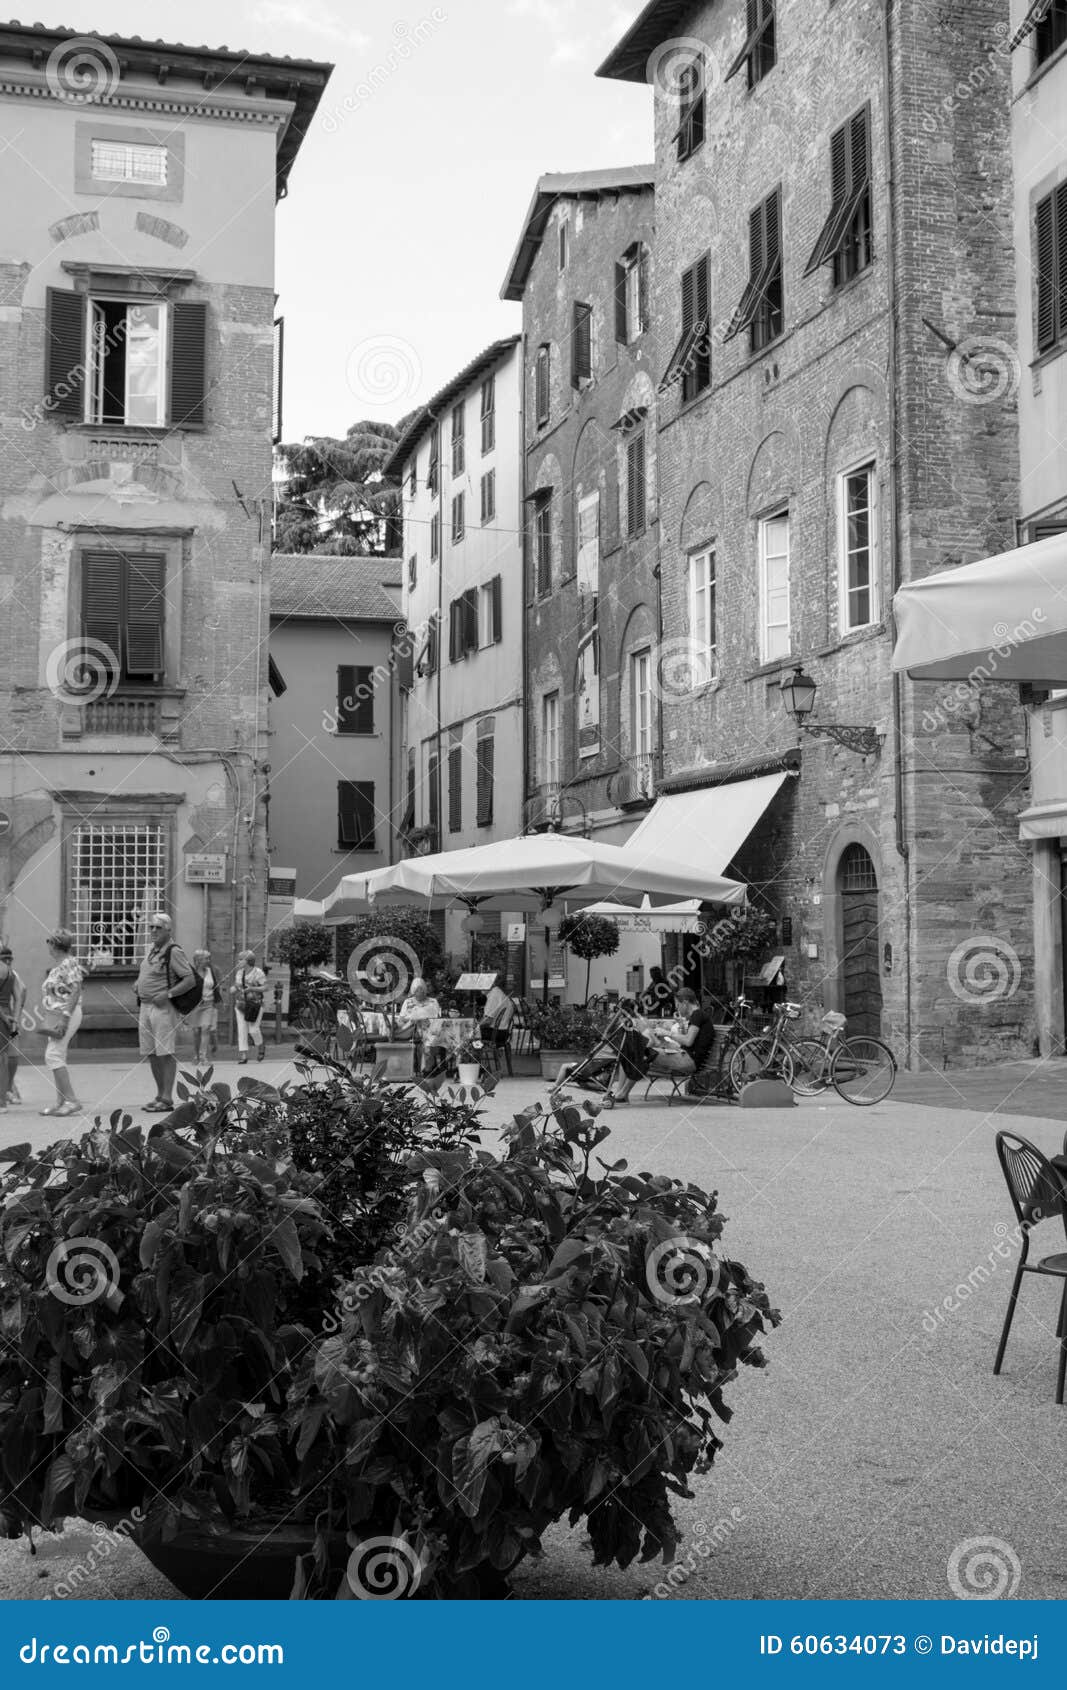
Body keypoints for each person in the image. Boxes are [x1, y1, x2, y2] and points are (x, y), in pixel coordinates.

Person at [136, 913, 196, 1112]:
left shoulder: (173, 951)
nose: (153, 931)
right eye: (151, 927)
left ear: (168, 930)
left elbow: (189, 980)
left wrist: (168, 994)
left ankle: (167, 1098)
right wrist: (138, 984)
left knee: (165, 1052)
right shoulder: (152, 950)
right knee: (151, 1053)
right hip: (145, 1006)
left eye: (158, 928)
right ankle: (160, 1094)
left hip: (162, 1008)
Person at [39, 929, 86, 1117]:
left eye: (49, 942)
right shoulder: (60, 965)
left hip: (67, 1014)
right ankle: (61, 1101)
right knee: (58, 1054)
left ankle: (72, 1100)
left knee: (53, 1055)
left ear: (54, 945)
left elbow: (75, 990)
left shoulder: (69, 963)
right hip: (57, 1015)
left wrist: (65, 1017)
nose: (48, 946)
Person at [638, 986, 717, 1097]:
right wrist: (680, 1024)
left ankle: (622, 1093)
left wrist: (667, 1033)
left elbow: (688, 1041)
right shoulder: (696, 1016)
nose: (677, 1009)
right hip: (684, 1055)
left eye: (678, 1005)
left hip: (688, 1061)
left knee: (641, 1050)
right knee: (648, 1035)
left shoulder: (698, 1015)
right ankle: (623, 1092)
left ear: (685, 1003)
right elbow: (691, 1041)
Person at [231, 950, 268, 1064]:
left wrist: (252, 988)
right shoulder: (239, 973)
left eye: (240, 959)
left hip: (255, 1005)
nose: (238, 961)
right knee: (242, 1030)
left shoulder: (258, 972)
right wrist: (234, 989)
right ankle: (243, 1055)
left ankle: (261, 1046)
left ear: (248, 961)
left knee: (253, 1030)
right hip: (241, 1004)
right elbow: (237, 986)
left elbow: (265, 987)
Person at [0, 945, 26, 1103]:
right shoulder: (12, 973)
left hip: (7, 1018)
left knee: (12, 1054)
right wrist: (16, 1017)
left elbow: (22, 992)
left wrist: (14, 1017)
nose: (8, 961)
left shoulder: (11, 973)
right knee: (9, 1054)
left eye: (10, 958)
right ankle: (9, 1088)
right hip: (11, 1018)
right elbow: (22, 994)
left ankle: (8, 1088)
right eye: (5, 958)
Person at [189, 948, 222, 1067]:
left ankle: (203, 1057)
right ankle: (196, 1055)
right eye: (206, 958)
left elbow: (217, 984)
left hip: (209, 1004)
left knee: (205, 1028)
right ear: (198, 961)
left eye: (209, 958)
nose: (208, 960)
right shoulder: (190, 973)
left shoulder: (211, 971)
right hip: (195, 1006)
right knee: (196, 1031)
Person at [480, 976, 514, 1047]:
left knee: (468, 1033)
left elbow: (488, 1020)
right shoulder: (497, 992)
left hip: (497, 1033)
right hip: (503, 1031)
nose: (480, 989)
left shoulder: (494, 996)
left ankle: (473, 1055)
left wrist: (475, 1026)